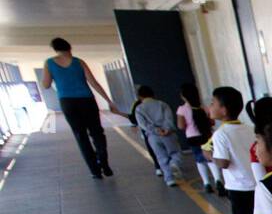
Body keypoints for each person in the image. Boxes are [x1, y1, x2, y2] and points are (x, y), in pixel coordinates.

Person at [40, 37, 122, 179]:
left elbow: (46, 85)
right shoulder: (79, 62)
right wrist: (109, 100)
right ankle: (104, 163)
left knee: (81, 136)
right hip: (87, 101)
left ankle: (95, 171)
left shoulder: (49, 63)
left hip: (68, 103)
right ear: (69, 48)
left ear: (55, 50)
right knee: (97, 133)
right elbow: (94, 83)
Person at [206, 86, 261, 214]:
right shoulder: (249, 129)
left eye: (213, 103)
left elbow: (222, 163)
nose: (210, 106)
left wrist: (209, 155)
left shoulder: (221, 134)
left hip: (238, 188)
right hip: (257, 184)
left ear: (224, 109)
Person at [131, 86, 185, 187]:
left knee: (161, 157)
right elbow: (169, 118)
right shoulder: (162, 104)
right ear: (153, 94)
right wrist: (166, 129)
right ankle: (174, 163)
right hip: (168, 134)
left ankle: (169, 179)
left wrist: (156, 130)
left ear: (140, 96)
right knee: (175, 152)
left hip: (153, 136)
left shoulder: (139, 108)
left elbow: (143, 124)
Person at [177, 83, 219, 193]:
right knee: (210, 158)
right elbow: (212, 122)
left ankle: (206, 183)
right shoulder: (204, 107)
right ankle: (218, 181)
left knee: (199, 160)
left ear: (183, 96)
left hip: (192, 137)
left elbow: (181, 125)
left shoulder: (182, 109)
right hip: (206, 135)